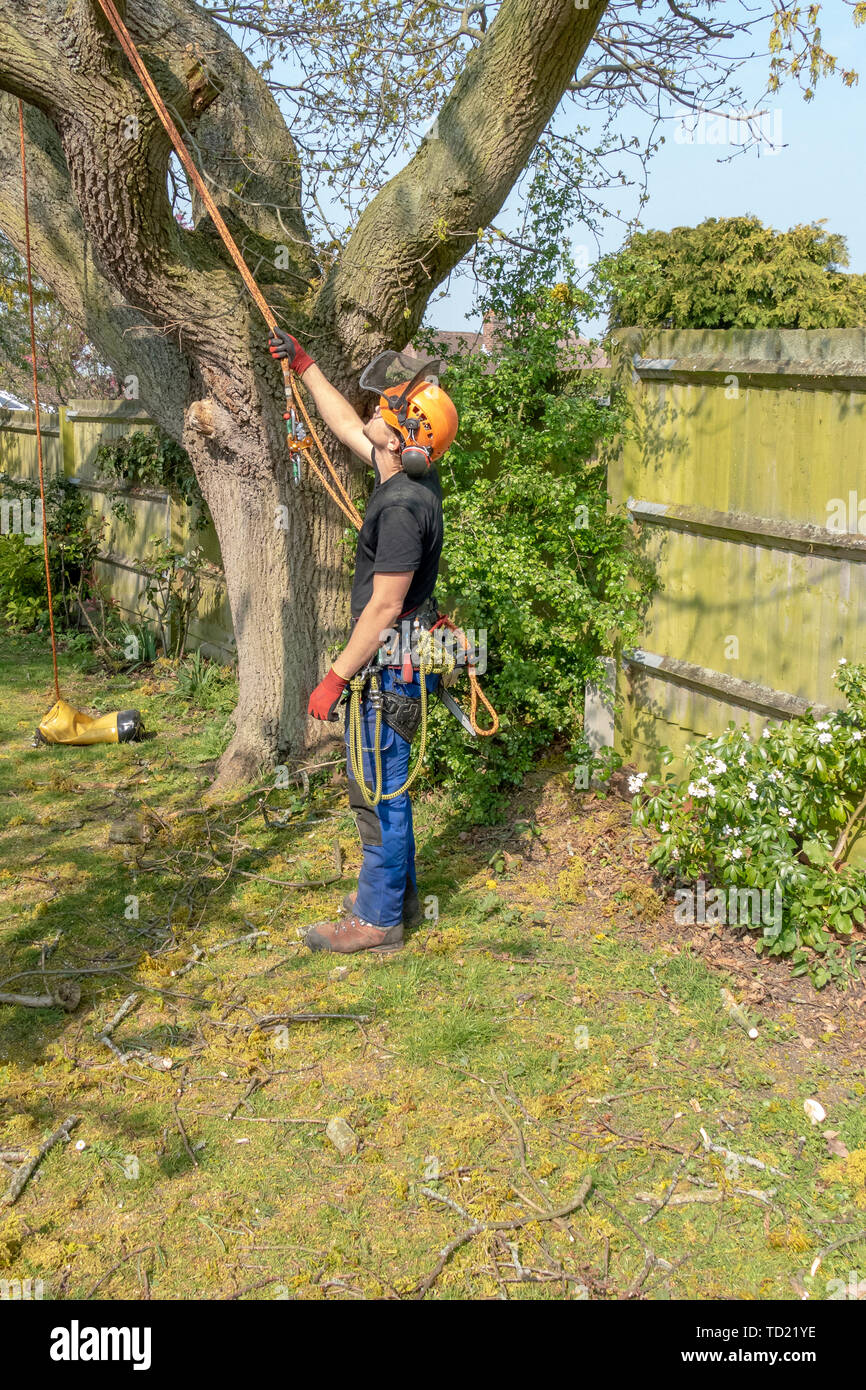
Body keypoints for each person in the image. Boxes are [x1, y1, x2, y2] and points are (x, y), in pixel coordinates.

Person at [268, 328, 459, 953]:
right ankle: (391, 895)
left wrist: (335, 676)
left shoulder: (402, 505)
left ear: (407, 435)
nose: (375, 413)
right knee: (378, 781)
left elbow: (383, 607)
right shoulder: (399, 475)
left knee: (379, 789)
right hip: (394, 661)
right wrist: (307, 367)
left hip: (390, 664)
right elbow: (347, 424)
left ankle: (377, 921)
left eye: (389, 410)